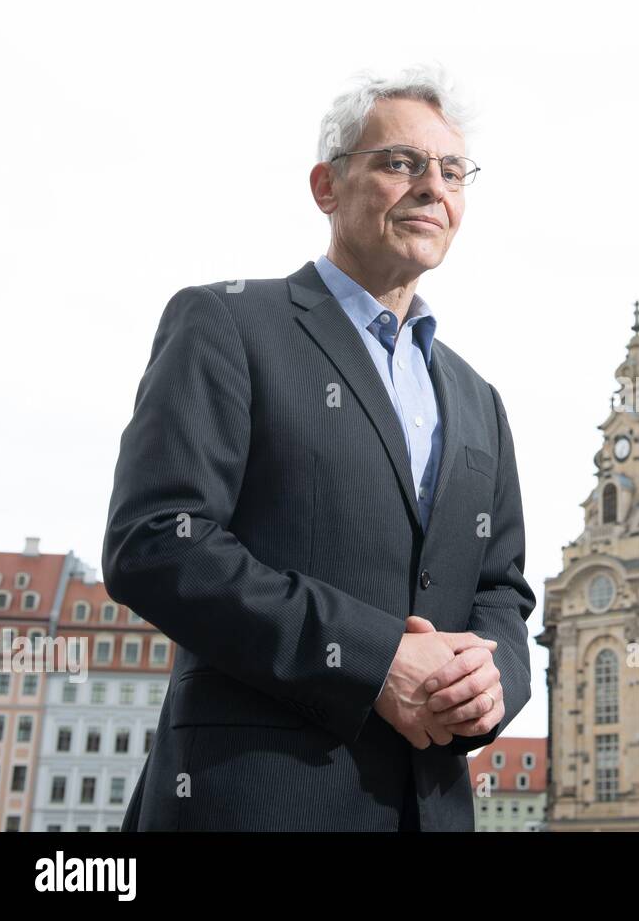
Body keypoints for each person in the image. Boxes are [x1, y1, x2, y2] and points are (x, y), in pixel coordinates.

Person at [103, 65, 533, 831]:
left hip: (428, 808)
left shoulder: (479, 400)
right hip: (256, 800)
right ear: (326, 187)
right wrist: (375, 664)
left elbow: (500, 591)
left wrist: (491, 679)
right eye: (402, 162)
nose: (434, 187)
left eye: (453, 170)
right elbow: (157, 543)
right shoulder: (227, 324)